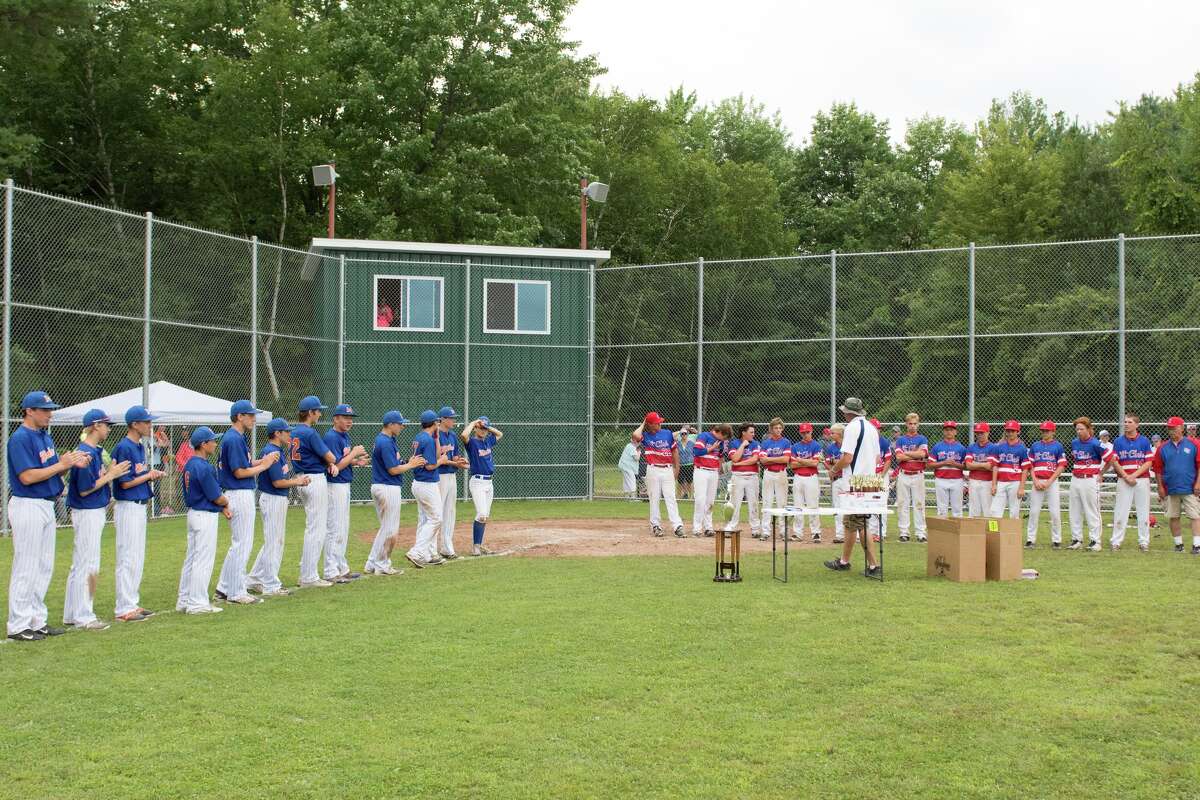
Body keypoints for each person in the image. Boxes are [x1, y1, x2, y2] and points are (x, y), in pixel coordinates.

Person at [6, 391, 90, 642]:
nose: (49, 414)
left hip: (46, 504)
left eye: (51, 410)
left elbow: (52, 471)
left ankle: (36, 621)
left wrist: (70, 463)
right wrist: (62, 464)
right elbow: (27, 477)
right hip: (27, 504)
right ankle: (18, 625)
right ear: (29, 411)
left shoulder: (45, 436)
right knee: (26, 565)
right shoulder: (20, 438)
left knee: (44, 566)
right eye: (44, 410)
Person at [63, 410, 131, 631]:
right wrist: (111, 475)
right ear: (95, 426)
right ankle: (84, 616)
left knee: (80, 564)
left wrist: (109, 472)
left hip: (90, 511)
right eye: (105, 425)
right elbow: (85, 489)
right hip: (88, 511)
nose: (108, 429)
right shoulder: (86, 452)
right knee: (88, 564)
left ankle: (72, 613)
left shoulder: (94, 451)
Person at [215, 399, 278, 605]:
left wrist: (264, 460)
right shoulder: (234, 438)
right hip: (238, 492)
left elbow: (246, 464)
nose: (253, 419)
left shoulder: (236, 437)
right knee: (242, 544)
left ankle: (224, 587)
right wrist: (265, 466)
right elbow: (240, 472)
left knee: (239, 544)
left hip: (238, 492)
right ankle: (236, 592)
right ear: (239, 416)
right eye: (250, 415)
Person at [111, 404, 165, 622]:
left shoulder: (140, 446)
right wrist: (149, 475)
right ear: (134, 424)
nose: (150, 425)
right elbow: (124, 483)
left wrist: (149, 474)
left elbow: (137, 476)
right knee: (127, 556)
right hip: (128, 505)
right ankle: (123, 607)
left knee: (136, 557)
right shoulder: (124, 447)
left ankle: (131, 602)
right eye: (147, 422)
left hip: (139, 505)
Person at [247, 418, 310, 595]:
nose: (289, 434)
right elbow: (277, 482)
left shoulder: (277, 450)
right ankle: (271, 585)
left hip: (276, 499)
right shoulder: (271, 451)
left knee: (273, 542)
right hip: (273, 498)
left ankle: (254, 579)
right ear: (277, 433)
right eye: (286, 431)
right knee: (274, 543)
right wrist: (298, 481)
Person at [824, 397, 882, 578]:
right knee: (851, 523)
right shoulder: (871, 428)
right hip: (870, 480)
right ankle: (844, 561)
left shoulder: (851, 428)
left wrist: (834, 469)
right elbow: (877, 458)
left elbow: (847, 458)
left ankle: (874, 566)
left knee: (860, 523)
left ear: (848, 413)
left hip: (856, 482)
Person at [176, 427, 230, 615]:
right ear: (203, 444)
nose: (215, 443)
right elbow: (217, 497)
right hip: (204, 515)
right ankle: (197, 603)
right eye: (212, 441)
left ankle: (184, 600)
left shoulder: (190, 463)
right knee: (203, 560)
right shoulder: (203, 466)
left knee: (191, 559)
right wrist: (226, 502)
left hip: (194, 513)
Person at [365, 411, 425, 572]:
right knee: (391, 530)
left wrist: (407, 462)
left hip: (383, 486)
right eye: (400, 424)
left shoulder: (387, 439)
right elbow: (392, 470)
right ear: (390, 424)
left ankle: (372, 563)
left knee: (385, 528)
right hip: (387, 487)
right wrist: (411, 465)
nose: (402, 426)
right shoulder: (384, 442)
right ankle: (383, 565)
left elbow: (396, 463)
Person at [291, 395, 341, 588]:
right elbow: (331, 457)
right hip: (314, 479)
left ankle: (307, 572)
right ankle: (309, 576)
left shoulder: (295, 431)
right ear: (310, 412)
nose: (320, 414)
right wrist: (329, 461)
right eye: (318, 411)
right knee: (316, 529)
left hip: (302, 478)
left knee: (313, 527)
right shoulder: (309, 432)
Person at [323, 403, 369, 581]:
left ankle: (341, 568)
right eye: (345, 418)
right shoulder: (331, 437)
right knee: (334, 528)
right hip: (334, 485)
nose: (349, 421)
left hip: (343, 484)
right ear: (335, 419)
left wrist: (355, 461)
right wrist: (354, 454)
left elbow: (344, 461)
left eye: (351, 418)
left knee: (343, 528)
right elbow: (335, 466)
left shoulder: (344, 436)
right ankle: (330, 571)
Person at [406, 410, 451, 567]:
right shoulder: (427, 440)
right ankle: (416, 552)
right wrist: (442, 461)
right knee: (436, 518)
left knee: (426, 519)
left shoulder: (421, 437)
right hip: (427, 483)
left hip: (419, 483)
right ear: (434, 423)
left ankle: (426, 554)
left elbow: (435, 454)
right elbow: (431, 465)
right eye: (437, 422)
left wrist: (437, 438)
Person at [1152, 416, 1200, 554]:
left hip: (1190, 488)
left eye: (1174, 428)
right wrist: (1160, 487)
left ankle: (1197, 545)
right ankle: (1179, 545)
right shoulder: (1162, 448)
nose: (1171, 431)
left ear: (1182, 428)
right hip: (1170, 488)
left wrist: (1198, 484)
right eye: (1169, 428)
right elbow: (1158, 469)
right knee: (1173, 516)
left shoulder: (1194, 444)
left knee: (1195, 516)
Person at [632, 412, 683, 537]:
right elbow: (635, 435)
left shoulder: (667, 433)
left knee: (671, 497)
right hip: (653, 470)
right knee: (654, 498)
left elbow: (674, 451)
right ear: (649, 424)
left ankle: (677, 526)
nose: (660, 424)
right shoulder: (645, 436)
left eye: (660, 422)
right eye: (656, 422)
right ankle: (656, 525)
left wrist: (677, 468)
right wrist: (644, 423)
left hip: (667, 469)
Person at [1109, 414, 1154, 552]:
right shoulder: (1118, 441)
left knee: (1143, 511)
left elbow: (1148, 462)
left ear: (1136, 425)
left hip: (1141, 479)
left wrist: (1133, 475)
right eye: (1125, 422)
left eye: (1130, 422)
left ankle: (1144, 541)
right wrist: (1125, 476)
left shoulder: (1144, 441)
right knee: (1121, 511)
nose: (1126, 424)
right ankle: (1116, 541)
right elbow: (1114, 461)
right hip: (1124, 480)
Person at [462, 416, 504, 556]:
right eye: (481, 428)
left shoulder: (488, 441)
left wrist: (487, 426)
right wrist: (474, 423)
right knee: (481, 514)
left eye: (485, 429)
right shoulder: (472, 443)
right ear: (475, 428)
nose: (483, 431)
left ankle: (479, 545)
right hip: (478, 482)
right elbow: (464, 435)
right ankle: (475, 547)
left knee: (485, 515)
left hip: (489, 483)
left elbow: (500, 434)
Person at [434, 406, 470, 558]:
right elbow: (437, 459)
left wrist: (460, 460)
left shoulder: (453, 435)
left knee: (449, 512)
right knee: (437, 512)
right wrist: (455, 463)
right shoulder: (435, 435)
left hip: (451, 476)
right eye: (451, 418)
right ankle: (432, 549)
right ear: (442, 419)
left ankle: (447, 548)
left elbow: (454, 456)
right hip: (439, 477)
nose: (454, 420)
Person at [1068, 417, 1107, 551]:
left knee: (1091, 510)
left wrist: (1101, 473)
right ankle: (1076, 539)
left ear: (1089, 429)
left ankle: (1095, 541)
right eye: (1077, 429)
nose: (1079, 431)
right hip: (1075, 478)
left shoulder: (1096, 443)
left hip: (1090, 479)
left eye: (1082, 429)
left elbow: (1111, 459)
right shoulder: (1074, 442)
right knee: (1074, 510)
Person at [1026, 421, 1066, 548]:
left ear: (1053, 432)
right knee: (1034, 512)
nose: (1044, 433)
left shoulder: (1058, 446)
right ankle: (1030, 539)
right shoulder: (1035, 446)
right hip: (1037, 481)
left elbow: (1061, 465)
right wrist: (1035, 480)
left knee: (1054, 512)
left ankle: (1056, 540)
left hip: (1052, 482)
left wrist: (1050, 481)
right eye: (1043, 430)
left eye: (1047, 431)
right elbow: (1030, 465)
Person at [893, 412, 929, 542]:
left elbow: (923, 454)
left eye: (915, 423)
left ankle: (921, 533)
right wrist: (915, 454)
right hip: (904, 474)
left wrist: (907, 453)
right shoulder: (900, 440)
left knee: (919, 504)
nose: (912, 426)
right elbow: (898, 457)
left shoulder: (922, 439)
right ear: (906, 424)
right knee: (903, 503)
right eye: (910, 423)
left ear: (918, 424)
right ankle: (904, 532)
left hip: (918, 474)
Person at [690, 423, 731, 537]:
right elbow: (697, 452)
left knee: (710, 501)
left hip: (713, 472)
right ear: (720, 432)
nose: (724, 440)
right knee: (700, 500)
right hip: (701, 471)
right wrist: (711, 448)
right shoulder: (704, 436)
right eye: (724, 437)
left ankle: (708, 527)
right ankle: (697, 528)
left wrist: (720, 469)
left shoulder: (721, 442)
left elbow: (720, 456)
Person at [725, 423, 762, 538]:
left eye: (753, 432)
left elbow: (754, 459)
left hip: (752, 477)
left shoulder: (755, 444)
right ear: (743, 433)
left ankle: (755, 529)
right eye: (751, 432)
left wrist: (739, 464)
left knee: (753, 503)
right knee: (734, 503)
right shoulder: (734, 443)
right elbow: (735, 458)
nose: (753, 434)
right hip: (738, 476)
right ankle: (731, 526)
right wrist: (743, 445)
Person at [758, 418, 792, 540]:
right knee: (767, 502)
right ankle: (765, 531)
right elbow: (762, 460)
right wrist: (777, 459)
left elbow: (786, 459)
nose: (778, 430)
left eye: (780, 428)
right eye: (775, 428)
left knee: (781, 502)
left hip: (781, 473)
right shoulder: (766, 443)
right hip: (768, 473)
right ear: (771, 429)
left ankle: (783, 531)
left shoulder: (786, 442)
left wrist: (769, 459)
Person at [789, 423, 823, 543]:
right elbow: (793, 465)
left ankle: (816, 532)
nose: (805, 434)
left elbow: (815, 463)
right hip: (798, 477)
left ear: (811, 431)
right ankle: (798, 533)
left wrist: (800, 460)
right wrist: (807, 461)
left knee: (813, 505)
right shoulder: (795, 446)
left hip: (811, 477)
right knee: (798, 506)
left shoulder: (816, 445)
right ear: (800, 433)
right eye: (803, 432)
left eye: (807, 432)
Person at [989, 420, 1030, 519]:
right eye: (1008, 431)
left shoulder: (1022, 448)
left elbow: (1025, 469)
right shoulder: (999, 447)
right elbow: (995, 466)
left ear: (1018, 432)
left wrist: (1021, 487)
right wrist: (994, 484)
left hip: (1015, 482)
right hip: (1001, 482)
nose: (1010, 433)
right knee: (994, 511)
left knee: (1014, 512)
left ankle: (1013, 530)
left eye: (1013, 431)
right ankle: (995, 529)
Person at [928, 421, 967, 518]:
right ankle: (942, 527)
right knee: (942, 509)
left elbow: (966, 466)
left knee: (957, 509)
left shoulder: (961, 448)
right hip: (941, 479)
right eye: (947, 430)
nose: (949, 432)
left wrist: (954, 464)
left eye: (951, 430)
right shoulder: (937, 447)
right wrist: (944, 462)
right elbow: (930, 464)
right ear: (943, 432)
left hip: (957, 480)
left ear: (955, 432)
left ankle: (957, 528)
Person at [964, 422, 997, 517]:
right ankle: (974, 527)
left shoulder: (993, 447)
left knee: (988, 510)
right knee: (974, 510)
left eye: (982, 433)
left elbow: (990, 466)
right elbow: (968, 466)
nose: (979, 435)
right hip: (973, 480)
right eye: (977, 433)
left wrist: (975, 463)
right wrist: (983, 465)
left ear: (988, 433)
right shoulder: (971, 447)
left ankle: (990, 527)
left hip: (987, 481)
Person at [824, 423, 849, 544]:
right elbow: (828, 463)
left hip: (847, 479)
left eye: (833, 433)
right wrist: (834, 467)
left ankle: (854, 534)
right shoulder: (830, 447)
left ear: (840, 433)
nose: (830, 434)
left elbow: (848, 461)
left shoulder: (848, 445)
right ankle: (840, 534)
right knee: (837, 507)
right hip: (837, 479)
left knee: (849, 506)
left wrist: (836, 462)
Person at [675, 425, 696, 499]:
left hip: (689, 464)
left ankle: (691, 496)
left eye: (685, 434)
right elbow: (672, 436)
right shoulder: (677, 443)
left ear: (688, 434)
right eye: (682, 434)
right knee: (680, 482)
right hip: (681, 465)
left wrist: (695, 431)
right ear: (680, 435)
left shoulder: (691, 443)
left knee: (690, 481)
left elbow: (700, 437)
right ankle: (679, 496)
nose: (684, 435)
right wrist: (679, 431)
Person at [618, 435, 640, 500]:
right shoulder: (632, 447)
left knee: (626, 481)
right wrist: (639, 452)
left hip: (624, 466)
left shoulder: (629, 445)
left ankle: (627, 496)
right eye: (639, 441)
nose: (639, 443)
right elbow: (636, 458)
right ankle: (633, 497)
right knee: (632, 480)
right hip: (627, 467)